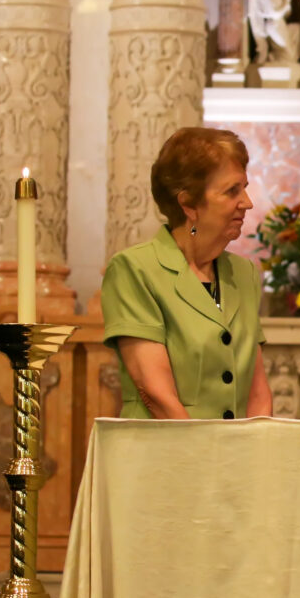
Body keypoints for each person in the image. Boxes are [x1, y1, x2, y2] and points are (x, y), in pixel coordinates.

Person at [101, 128, 273, 420]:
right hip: (163, 455)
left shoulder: (243, 274)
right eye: (232, 190)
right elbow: (156, 394)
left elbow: (258, 394)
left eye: (244, 187)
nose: (247, 202)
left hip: (234, 458)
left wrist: (252, 455)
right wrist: (203, 459)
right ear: (188, 204)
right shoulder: (135, 270)